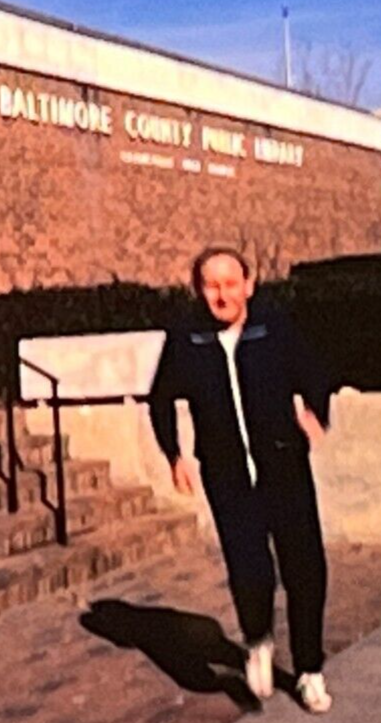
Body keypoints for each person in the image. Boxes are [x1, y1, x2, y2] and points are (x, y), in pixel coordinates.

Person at [149, 246, 335, 713]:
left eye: (230, 283)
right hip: (227, 473)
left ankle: (310, 671)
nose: (222, 294)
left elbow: (315, 370)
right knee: (249, 567)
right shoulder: (187, 338)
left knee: (305, 569)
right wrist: (174, 455)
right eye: (211, 286)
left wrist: (316, 413)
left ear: (249, 284)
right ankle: (258, 642)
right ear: (199, 290)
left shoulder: (273, 327)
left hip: (283, 465)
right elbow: (160, 398)